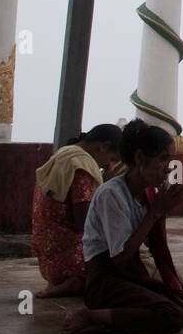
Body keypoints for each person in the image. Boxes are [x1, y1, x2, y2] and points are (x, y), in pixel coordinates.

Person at [60, 119, 183, 334]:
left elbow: (157, 248)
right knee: (172, 316)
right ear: (139, 158)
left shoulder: (148, 195)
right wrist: (155, 212)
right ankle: (92, 317)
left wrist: (161, 213)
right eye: (162, 159)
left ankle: (162, 305)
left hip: (131, 277)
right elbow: (120, 257)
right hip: (106, 282)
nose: (168, 168)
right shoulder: (112, 194)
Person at [31, 124, 123, 298]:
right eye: (111, 158)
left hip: (49, 260)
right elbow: (86, 223)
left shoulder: (64, 155)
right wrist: (107, 187)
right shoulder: (81, 167)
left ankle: (66, 282)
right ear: (103, 146)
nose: (109, 164)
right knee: (121, 265)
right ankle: (73, 284)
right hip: (71, 261)